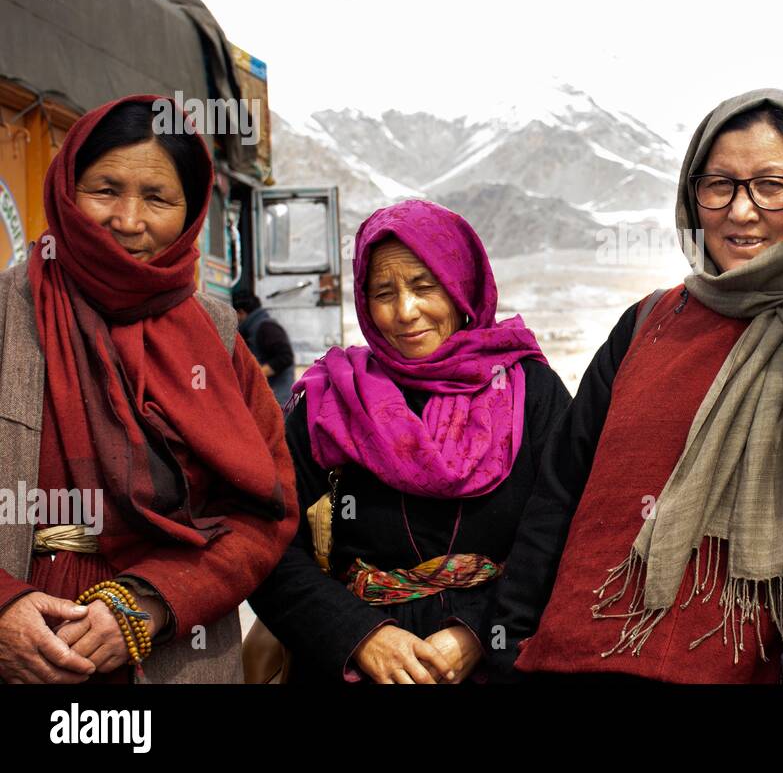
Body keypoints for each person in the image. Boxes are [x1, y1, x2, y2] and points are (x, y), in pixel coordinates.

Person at [483, 89, 783, 683]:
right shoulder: (648, 322)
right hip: (579, 657)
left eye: (773, 185)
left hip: (747, 668)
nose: (742, 210)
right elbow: (560, 490)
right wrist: (511, 639)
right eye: (718, 184)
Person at [0, 94, 298, 684]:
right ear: (67, 188)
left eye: (157, 197)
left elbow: (267, 511)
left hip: (172, 654)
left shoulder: (216, 336)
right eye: (106, 189)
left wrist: (151, 603)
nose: (128, 220)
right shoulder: (7, 315)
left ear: (190, 212)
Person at [247, 199, 571, 683]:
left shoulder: (530, 391)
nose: (405, 311)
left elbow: (562, 531)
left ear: (462, 285)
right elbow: (266, 540)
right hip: (353, 664)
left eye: (425, 286)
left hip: (498, 655)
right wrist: (361, 635)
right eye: (383, 292)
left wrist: (478, 633)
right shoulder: (331, 399)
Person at [233, 292, 296, 407]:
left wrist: (256, 375)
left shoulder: (266, 327)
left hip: (278, 401)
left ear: (241, 312)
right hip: (272, 400)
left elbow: (285, 357)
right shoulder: (255, 327)